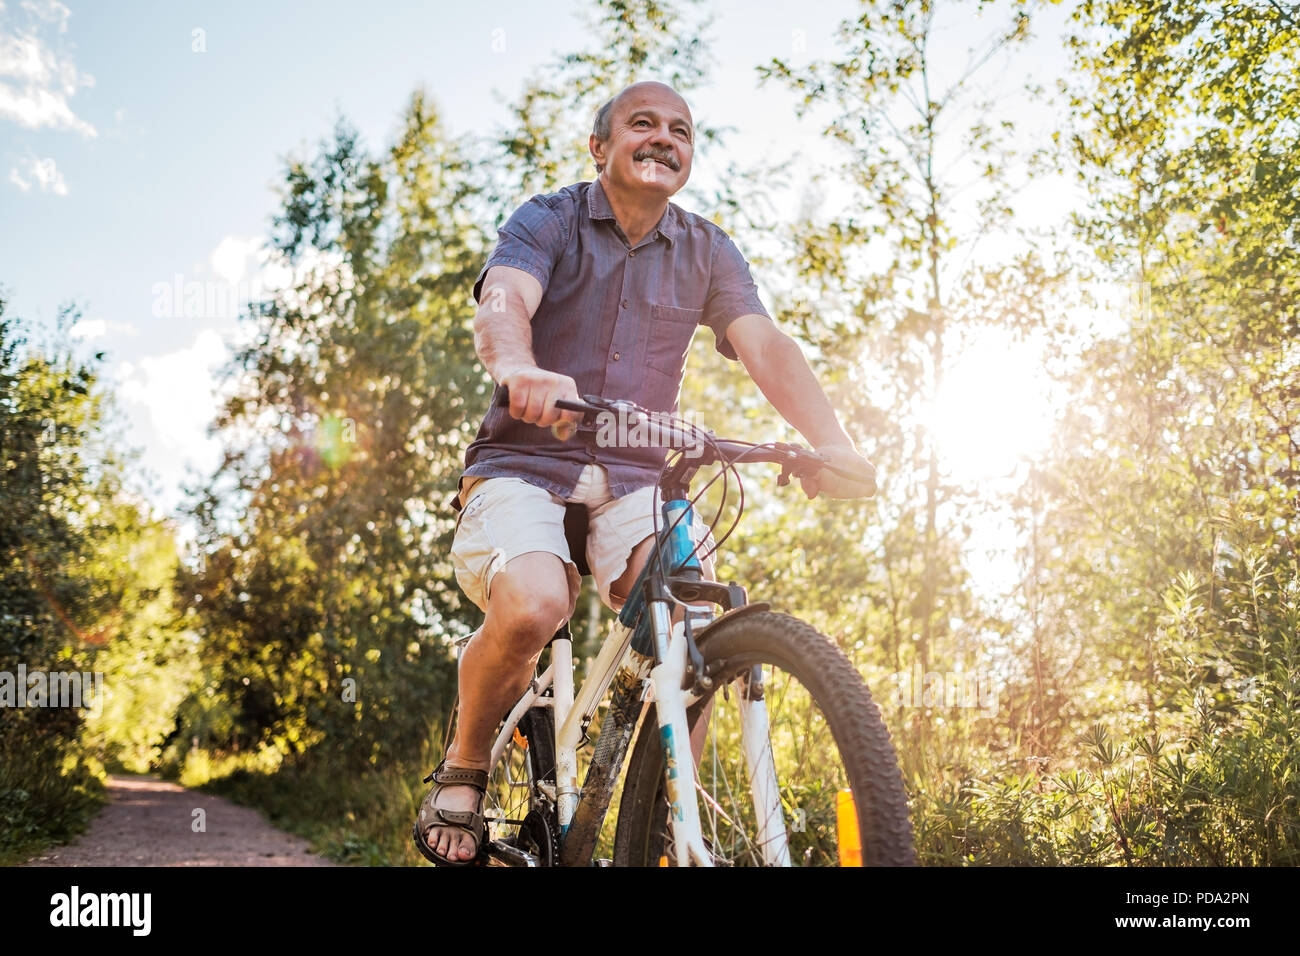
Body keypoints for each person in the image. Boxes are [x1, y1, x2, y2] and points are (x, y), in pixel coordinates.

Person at [414, 80, 876, 866]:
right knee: (533, 606)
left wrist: (831, 441)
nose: (664, 138)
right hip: (525, 461)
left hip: (635, 476)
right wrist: (522, 368)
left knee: (694, 624)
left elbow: (764, 344)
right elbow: (503, 303)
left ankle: (670, 825)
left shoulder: (707, 249)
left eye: (681, 131)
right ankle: (464, 764)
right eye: (643, 124)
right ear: (600, 147)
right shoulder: (548, 219)